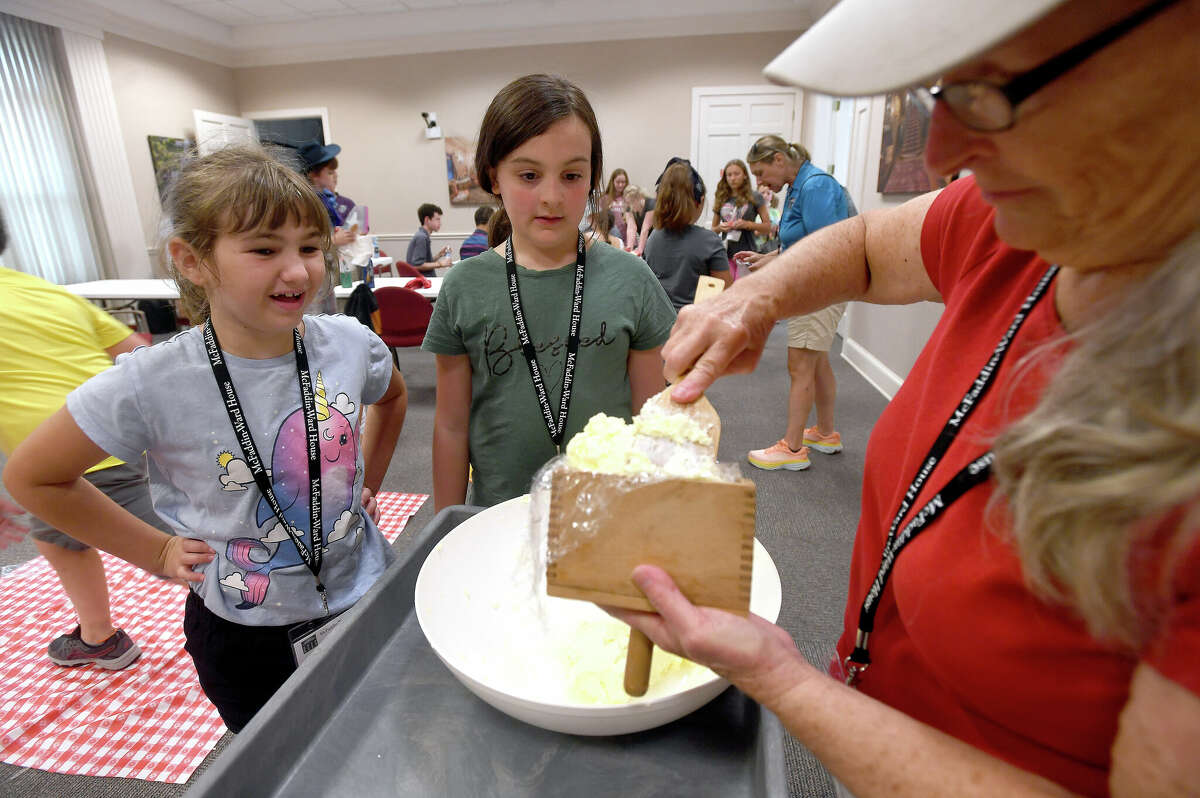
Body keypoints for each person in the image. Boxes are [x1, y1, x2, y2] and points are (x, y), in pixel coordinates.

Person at [610, 0, 1200, 795]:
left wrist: (781, 679)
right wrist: (756, 298)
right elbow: (863, 246)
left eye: (992, 90)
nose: (944, 151)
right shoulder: (1025, 226)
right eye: (940, 92)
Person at [3, 144, 410, 733]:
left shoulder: (348, 342)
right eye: (265, 249)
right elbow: (34, 477)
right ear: (192, 260)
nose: (298, 271)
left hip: (367, 590)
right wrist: (156, 551)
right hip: (245, 633)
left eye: (309, 247)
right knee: (279, 758)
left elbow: (392, 397)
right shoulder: (153, 380)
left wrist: (365, 482)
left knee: (381, 733)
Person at [422, 74, 676, 512]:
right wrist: (444, 528)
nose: (552, 197)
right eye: (529, 175)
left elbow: (651, 420)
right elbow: (451, 426)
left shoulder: (631, 279)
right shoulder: (464, 287)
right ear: (493, 177)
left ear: (592, 177)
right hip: (498, 517)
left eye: (572, 175)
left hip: (609, 514)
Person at [0, 210, 168, 672]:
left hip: (58, 459)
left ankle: (290, 596)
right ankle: (98, 635)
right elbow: (140, 354)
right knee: (58, 535)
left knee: (171, 553)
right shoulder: (45, 291)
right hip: (112, 433)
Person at [741, 135, 854, 472]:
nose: (760, 183)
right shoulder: (798, 186)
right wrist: (767, 259)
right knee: (816, 360)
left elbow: (823, 247)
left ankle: (792, 449)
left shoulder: (815, 185)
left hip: (820, 287)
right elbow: (799, 243)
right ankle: (825, 433)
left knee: (800, 363)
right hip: (818, 285)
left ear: (779, 160)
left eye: (761, 173)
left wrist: (779, 269)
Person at [643, 159, 732, 310]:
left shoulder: (653, 238)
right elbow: (727, 295)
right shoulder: (709, 241)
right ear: (699, 201)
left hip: (659, 320)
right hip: (694, 321)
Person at [710, 159, 771, 279]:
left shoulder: (755, 196)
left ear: (745, 175)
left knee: (743, 286)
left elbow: (767, 227)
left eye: (736, 174)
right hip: (725, 253)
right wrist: (720, 228)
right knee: (728, 286)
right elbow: (713, 229)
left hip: (747, 253)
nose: (732, 178)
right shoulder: (721, 197)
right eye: (729, 175)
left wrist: (747, 224)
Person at [298, 142, 357, 248]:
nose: (336, 175)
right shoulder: (304, 204)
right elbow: (301, 242)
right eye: (330, 172)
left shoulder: (329, 201)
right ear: (313, 175)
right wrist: (334, 240)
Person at [406, 202, 453, 274]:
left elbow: (425, 263)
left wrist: (439, 255)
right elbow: (417, 265)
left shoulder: (422, 235)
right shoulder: (421, 237)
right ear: (427, 219)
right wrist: (440, 264)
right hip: (425, 279)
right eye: (437, 219)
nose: (440, 223)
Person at [623, 184, 656, 256]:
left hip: (656, 238)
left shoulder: (651, 204)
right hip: (646, 239)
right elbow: (631, 228)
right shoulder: (629, 207)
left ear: (640, 198)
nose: (630, 206)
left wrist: (640, 250)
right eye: (628, 203)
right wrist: (629, 248)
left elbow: (645, 229)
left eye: (632, 202)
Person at [600, 168, 630, 242]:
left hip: (628, 237)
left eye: (623, 182)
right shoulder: (604, 198)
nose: (620, 185)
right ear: (612, 182)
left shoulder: (629, 197)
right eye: (618, 182)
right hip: (612, 237)